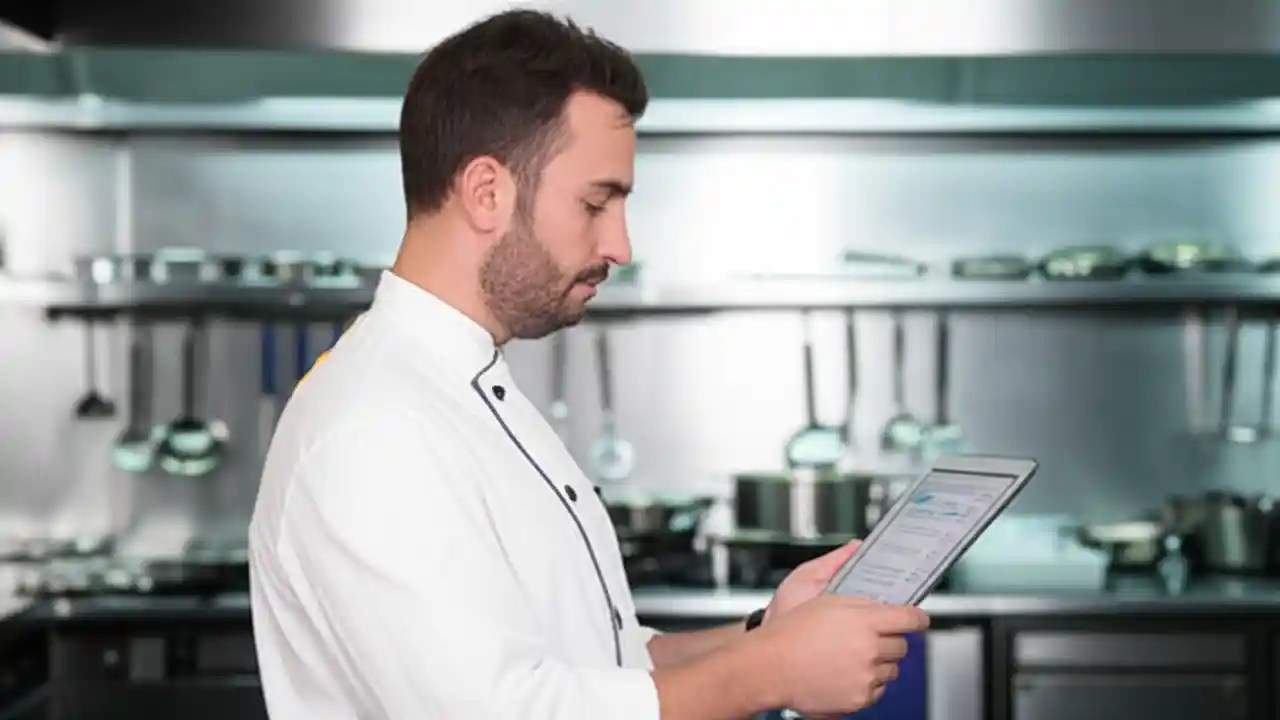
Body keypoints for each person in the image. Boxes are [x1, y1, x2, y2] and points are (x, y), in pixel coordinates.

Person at [247, 9, 929, 719]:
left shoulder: (467, 395)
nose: (621, 244)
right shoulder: (376, 429)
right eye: (596, 202)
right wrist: (771, 671)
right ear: (487, 193)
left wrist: (770, 632)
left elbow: (597, 663)